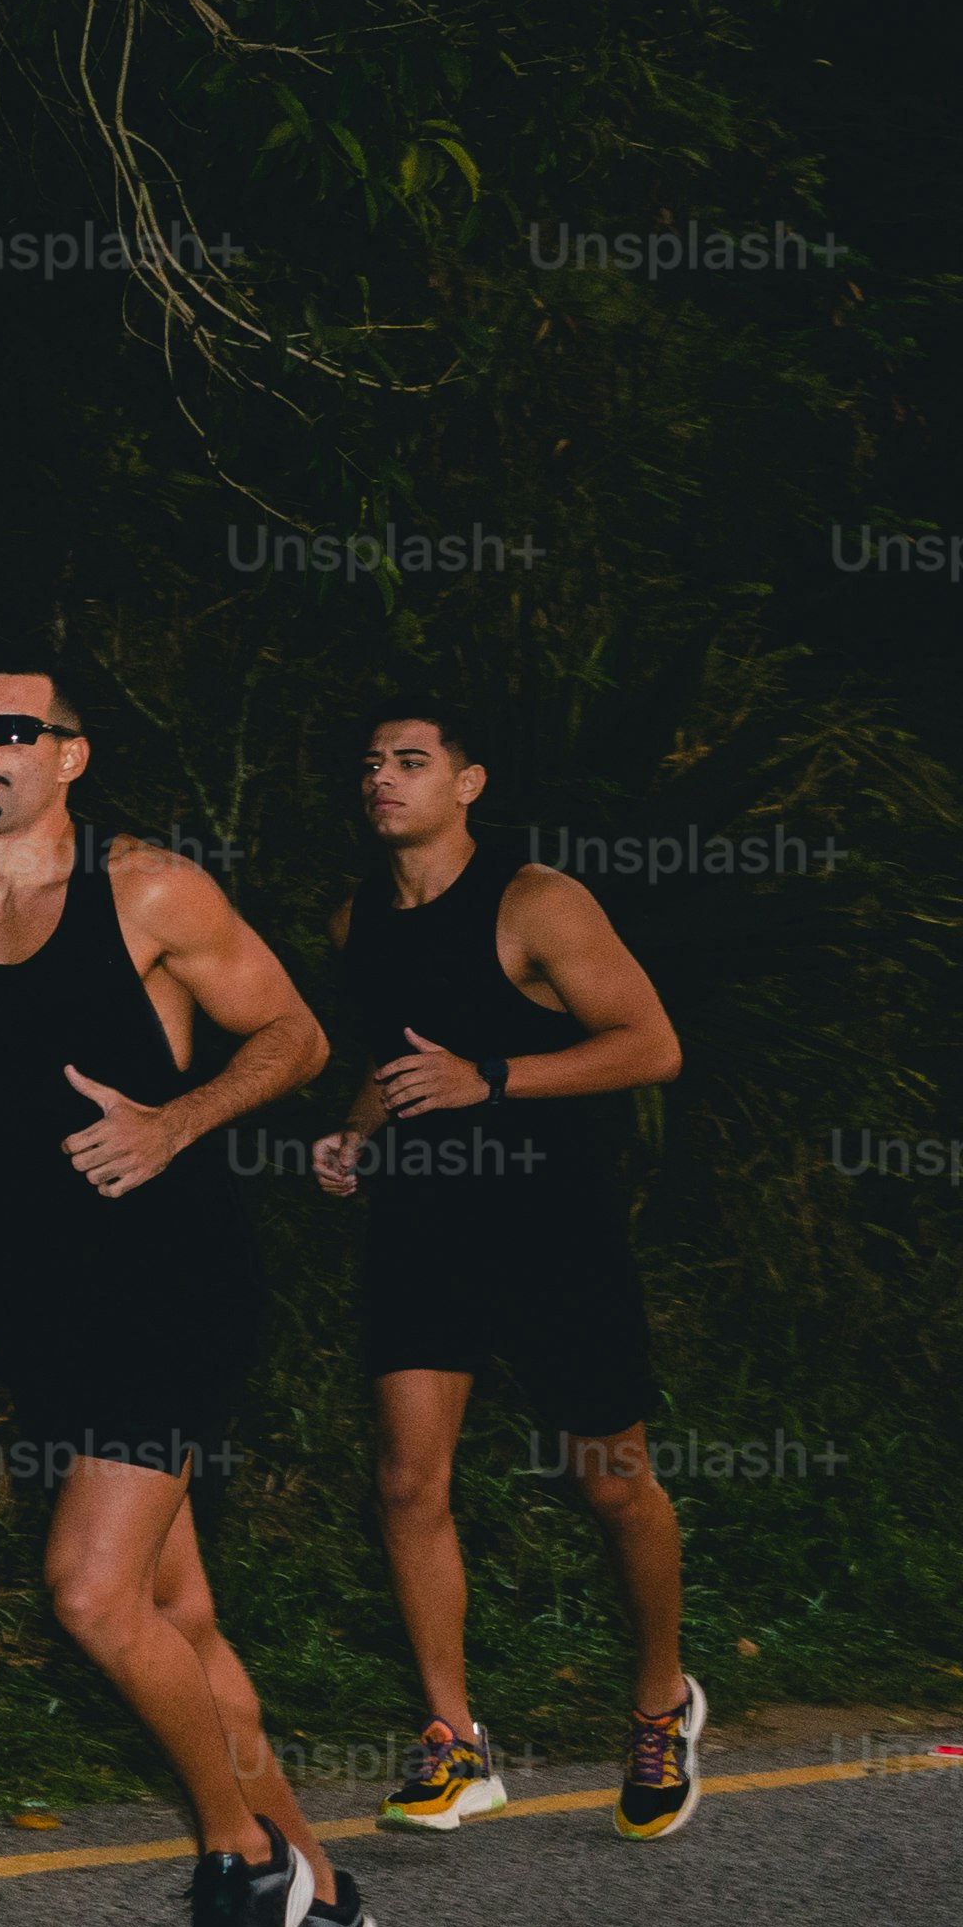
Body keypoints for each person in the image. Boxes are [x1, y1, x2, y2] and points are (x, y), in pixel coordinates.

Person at [0, 661, 380, 1927]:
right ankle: (327, 1898)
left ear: (70, 756)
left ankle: (241, 1857)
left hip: (172, 1277)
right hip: (38, 1301)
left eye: (12, 729)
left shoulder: (148, 892)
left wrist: (174, 1120)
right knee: (176, 1614)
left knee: (90, 1593)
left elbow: (295, 1036)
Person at [308, 697, 701, 1843]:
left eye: (409, 760)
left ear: (466, 783)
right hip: (422, 1225)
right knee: (404, 1482)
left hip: (550, 1224)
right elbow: (396, 1055)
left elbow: (651, 1046)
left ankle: (661, 1703)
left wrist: (489, 1079)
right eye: (370, 762)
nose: (382, 778)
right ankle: (453, 1741)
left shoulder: (536, 902)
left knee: (610, 1483)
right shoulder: (356, 920)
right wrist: (354, 1133)